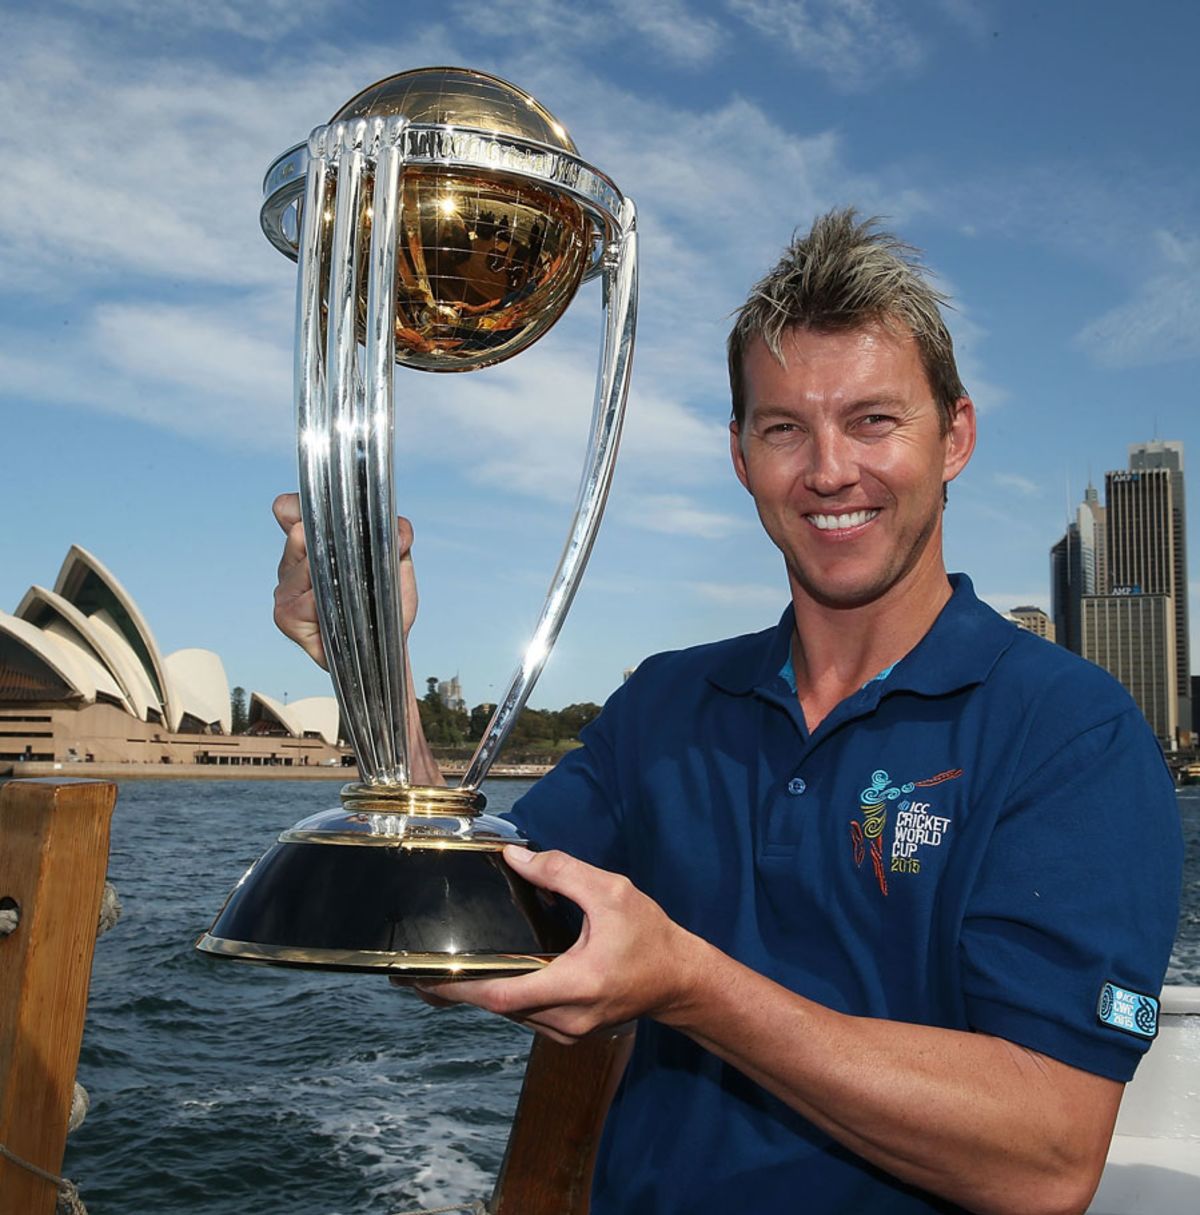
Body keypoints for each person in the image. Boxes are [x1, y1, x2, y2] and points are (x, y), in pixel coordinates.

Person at [273, 210, 1183, 1215]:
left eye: (874, 421)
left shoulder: (1070, 731)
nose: (830, 470)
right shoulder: (669, 703)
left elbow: (1044, 1158)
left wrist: (690, 987)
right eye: (785, 427)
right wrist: (373, 659)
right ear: (742, 455)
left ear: (954, 436)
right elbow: (458, 927)